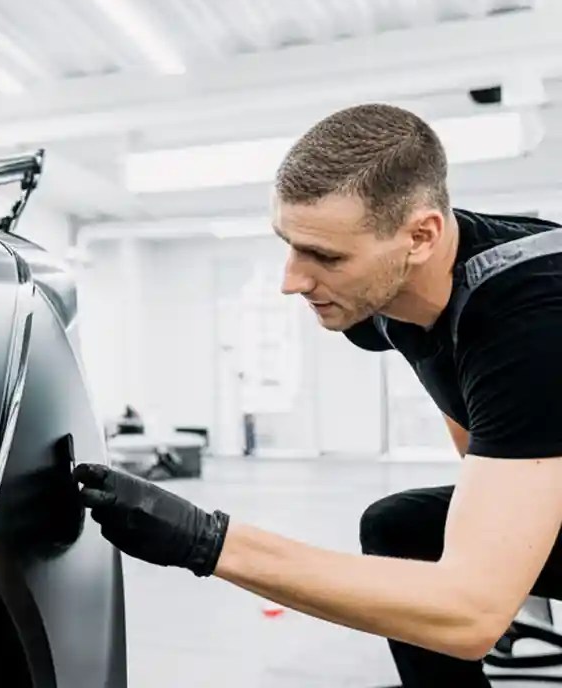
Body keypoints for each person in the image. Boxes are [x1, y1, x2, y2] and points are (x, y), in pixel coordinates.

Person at [74, 103, 562, 687]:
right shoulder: (392, 291)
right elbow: (467, 407)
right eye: (290, 244)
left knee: (461, 597)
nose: (292, 281)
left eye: (326, 257)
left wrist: (203, 540)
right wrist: (501, 541)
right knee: (400, 528)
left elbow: (471, 614)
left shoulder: (530, 320)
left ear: (421, 236)